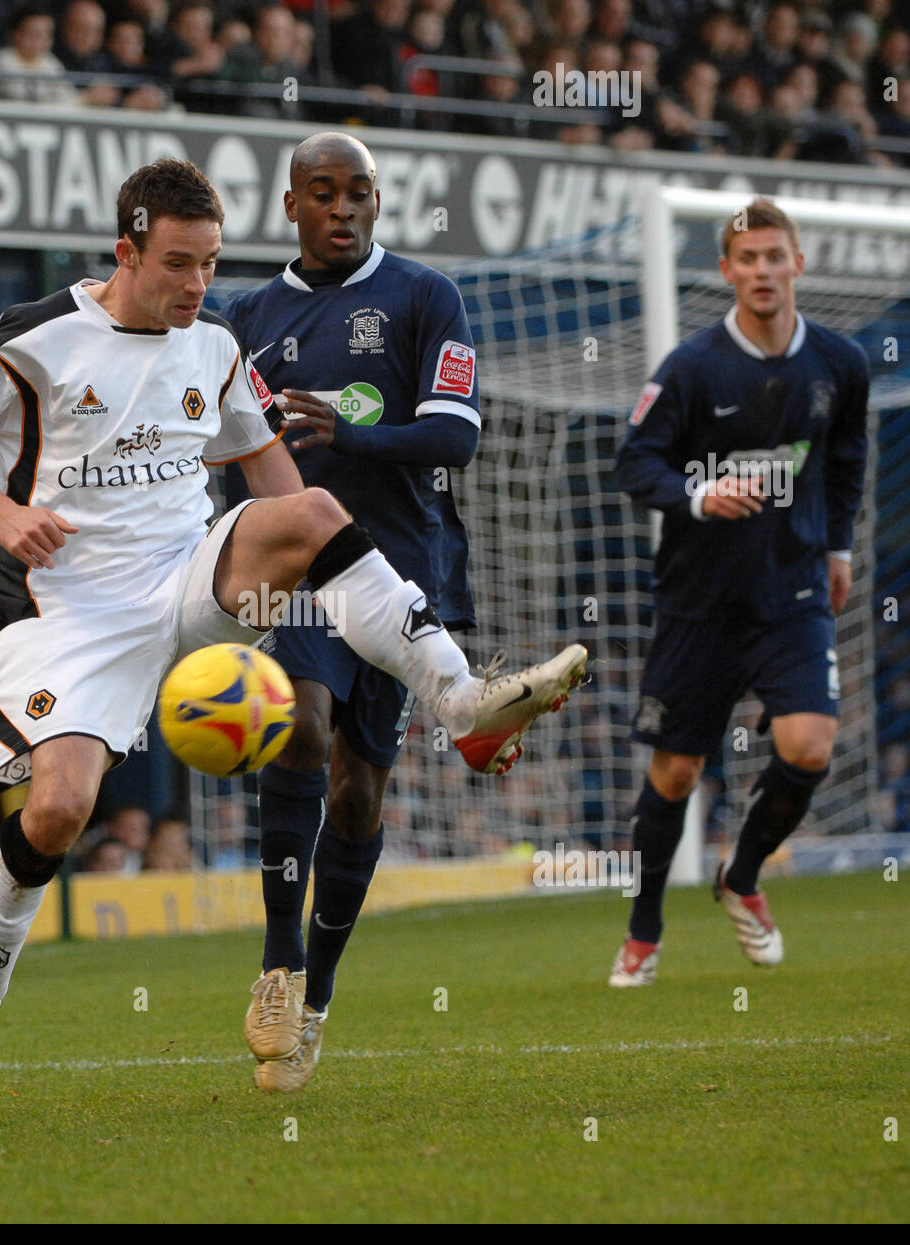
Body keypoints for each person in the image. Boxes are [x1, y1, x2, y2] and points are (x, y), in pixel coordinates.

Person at [0, 158, 586, 1127]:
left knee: (307, 506)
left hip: (187, 573)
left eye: (211, 265)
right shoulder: (33, 337)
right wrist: (3, 520)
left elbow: (269, 474)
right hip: (68, 609)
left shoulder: (214, 343)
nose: (195, 286)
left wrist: (315, 552)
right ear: (126, 250)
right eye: (176, 265)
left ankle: (459, 696)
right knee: (56, 811)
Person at [221, 131, 576, 1093]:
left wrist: (354, 429)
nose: (343, 208)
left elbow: (457, 435)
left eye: (361, 193)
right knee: (299, 717)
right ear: (290, 205)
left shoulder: (426, 296)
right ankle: (277, 965)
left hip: (400, 569)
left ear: (379, 202)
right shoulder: (242, 317)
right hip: (294, 572)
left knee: (358, 793)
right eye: (323, 193)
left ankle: (317, 1005)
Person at [609, 196, 868, 986]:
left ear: (798, 263)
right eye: (746, 259)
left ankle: (742, 876)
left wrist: (839, 546)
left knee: (809, 746)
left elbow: (846, 456)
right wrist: (696, 496)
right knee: (676, 774)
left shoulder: (840, 364)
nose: (761, 271)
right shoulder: (691, 368)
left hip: (791, 591)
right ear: (726, 272)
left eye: (773, 256)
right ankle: (644, 932)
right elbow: (634, 463)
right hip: (700, 600)